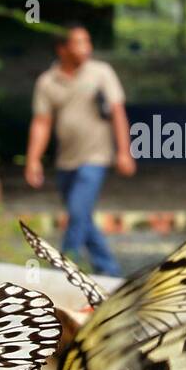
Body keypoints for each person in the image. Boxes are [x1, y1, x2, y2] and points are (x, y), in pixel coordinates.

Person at [26, 24, 136, 277]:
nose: (86, 48)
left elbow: (118, 112)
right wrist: (33, 159)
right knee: (82, 217)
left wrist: (124, 151)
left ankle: (64, 269)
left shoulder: (101, 73)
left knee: (77, 212)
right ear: (62, 49)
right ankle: (109, 271)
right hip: (66, 161)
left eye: (87, 42)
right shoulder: (47, 82)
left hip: (95, 157)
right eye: (78, 42)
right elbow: (42, 122)